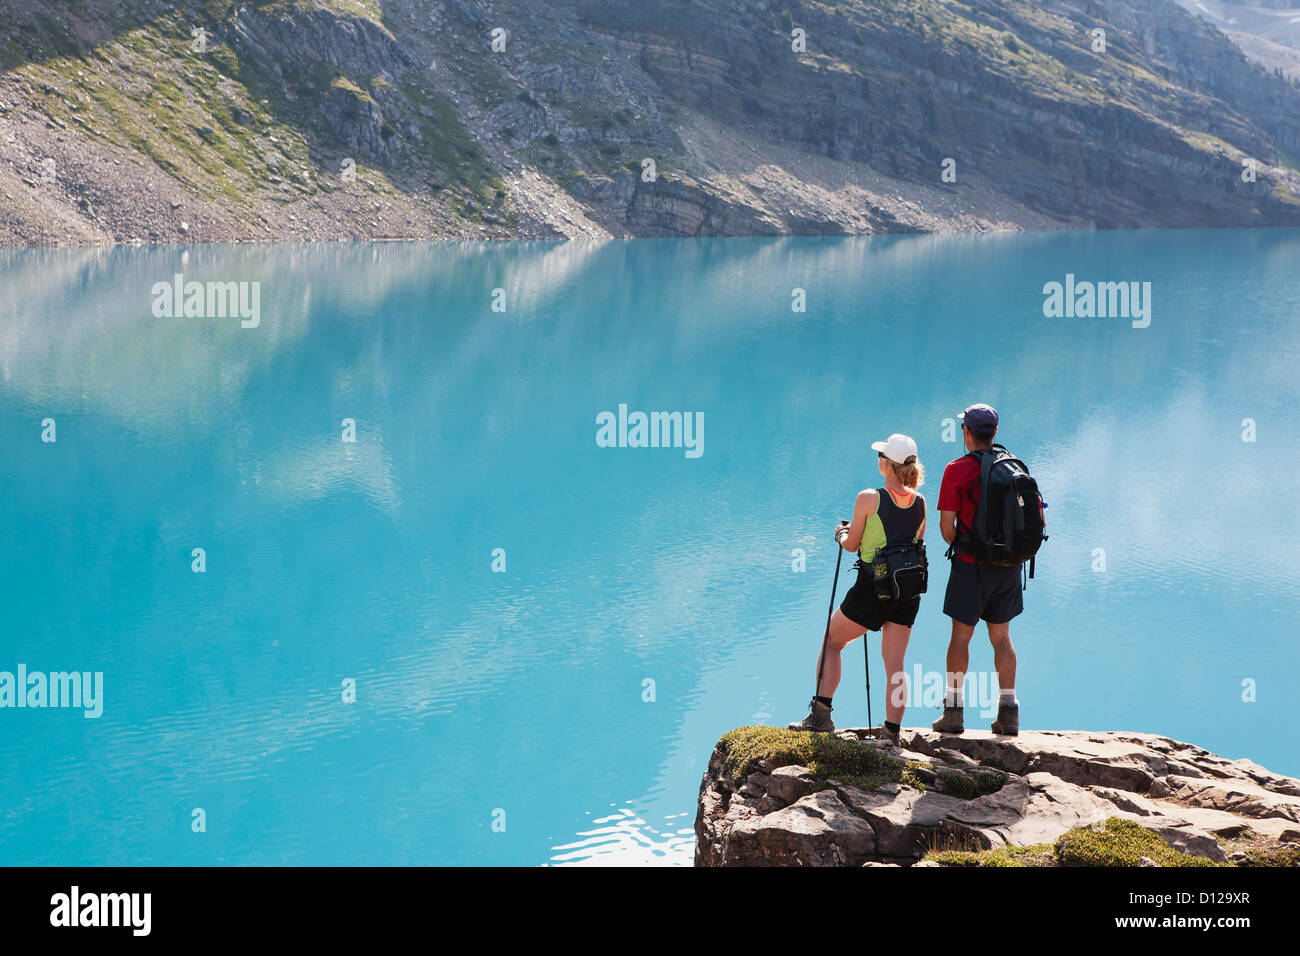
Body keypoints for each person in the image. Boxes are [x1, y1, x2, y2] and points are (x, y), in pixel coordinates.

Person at [789, 433, 926, 745]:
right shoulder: (920, 503)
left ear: (886, 464)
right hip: (907, 591)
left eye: (880, 455)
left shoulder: (869, 498)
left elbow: (852, 546)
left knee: (833, 641)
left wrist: (841, 534)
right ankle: (891, 733)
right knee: (895, 664)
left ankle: (821, 717)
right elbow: (911, 542)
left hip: (872, 589)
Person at [932, 403, 1037, 736]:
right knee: (1002, 638)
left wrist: (964, 544)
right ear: (994, 433)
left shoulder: (956, 469)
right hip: (1008, 566)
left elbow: (946, 528)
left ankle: (953, 714)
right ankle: (1009, 713)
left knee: (960, 638)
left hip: (970, 567)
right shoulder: (1014, 466)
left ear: (966, 433)